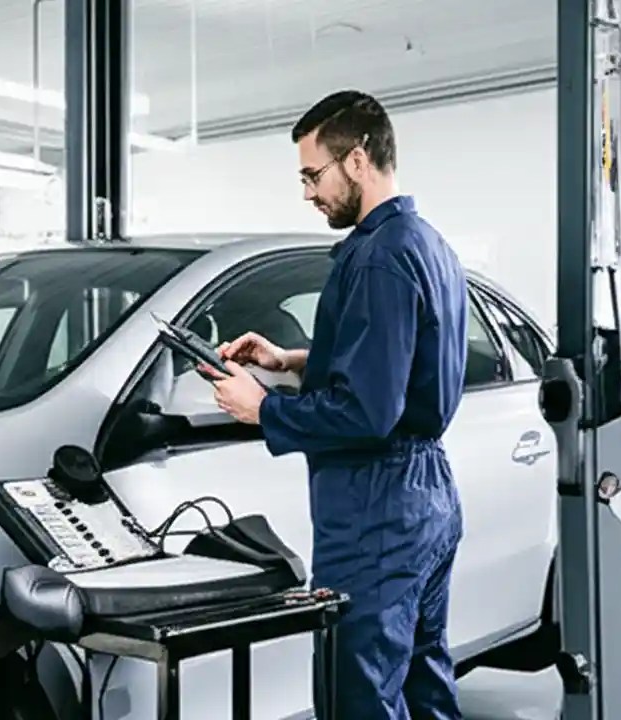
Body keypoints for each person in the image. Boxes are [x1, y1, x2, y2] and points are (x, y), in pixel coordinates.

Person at [203, 90, 469, 719]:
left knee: (359, 696)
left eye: (311, 174)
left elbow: (368, 414)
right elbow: (401, 360)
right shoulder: (425, 243)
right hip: (424, 494)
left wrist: (261, 409)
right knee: (422, 682)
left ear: (355, 160)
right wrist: (290, 359)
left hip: (378, 507)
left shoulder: (379, 257)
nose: (307, 192)